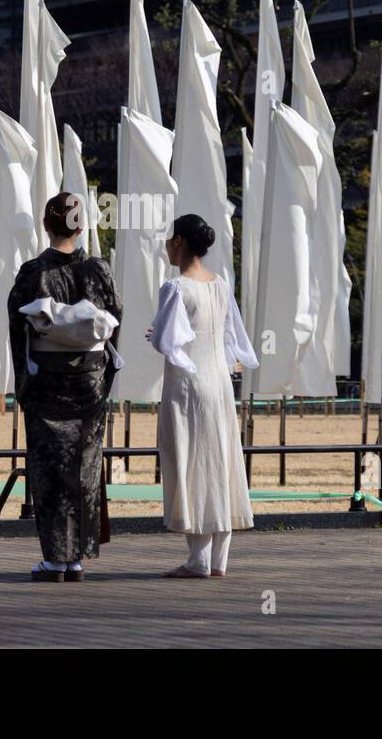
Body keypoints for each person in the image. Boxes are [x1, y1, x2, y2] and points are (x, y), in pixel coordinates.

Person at [8, 191, 122, 582]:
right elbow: (115, 317)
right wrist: (105, 373)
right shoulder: (99, 270)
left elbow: (17, 325)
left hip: (45, 378)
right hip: (89, 378)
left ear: (46, 224)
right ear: (82, 225)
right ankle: (77, 560)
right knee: (85, 466)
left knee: (48, 466)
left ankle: (56, 558)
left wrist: (24, 379)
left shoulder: (32, 273)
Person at [146, 213, 257, 578]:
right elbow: (232, 336)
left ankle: (198, 558)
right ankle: (218, 559)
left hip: (187, 385)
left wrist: (157, 334)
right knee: (221, 459)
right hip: (219, 382)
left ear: (179, 242)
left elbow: (165, 340)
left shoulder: (175, 287)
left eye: (168, 239)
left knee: (191, 461)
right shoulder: (220, 284)